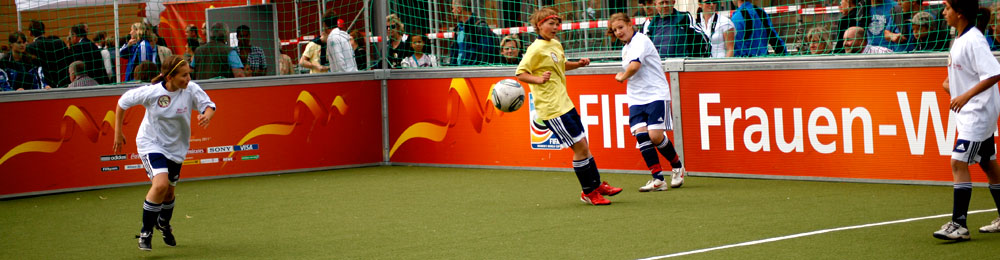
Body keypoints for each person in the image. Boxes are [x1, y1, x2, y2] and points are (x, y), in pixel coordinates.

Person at [515, 7, 622, 205]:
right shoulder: (535, 49)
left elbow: (561, 64)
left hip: (565, 103)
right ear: (539, 25)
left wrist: (578, 64)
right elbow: (521, 73)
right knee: (580, 148)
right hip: (552, 109)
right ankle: (588, 193)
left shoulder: (555, 43)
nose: (555, 27)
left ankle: (597, 185)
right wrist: (539, 79)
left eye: (557, 24)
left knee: (584, 145)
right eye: (551, 24)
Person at [113, 55, 217, 251]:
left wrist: (207, 116)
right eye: (183, 75)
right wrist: (118, 132)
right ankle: (145, 233)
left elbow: (209, 106)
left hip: (177, 148)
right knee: (160, 185)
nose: (188, 79)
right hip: (151, 143)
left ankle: (163, 223)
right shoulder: (151, 92)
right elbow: (122, 103)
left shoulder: (191, 89)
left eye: (188, 74)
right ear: (170, 77)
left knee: (169, 193)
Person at [933, 0, 1000, 241]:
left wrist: (965, 96)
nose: (943, 13)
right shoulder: (961, 39)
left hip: (978, 113)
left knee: (958, 162)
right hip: (972, 113)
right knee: (988, 165)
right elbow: (966, 76)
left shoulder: (974, 39)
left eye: (947, 8)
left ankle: (959, 225)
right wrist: (952, 87)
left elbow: (994, 73)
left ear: (960, 13)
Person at [608, 13, 686, 192]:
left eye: (621, 27)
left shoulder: (641, 40)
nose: (618, 32)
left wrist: (622, 77)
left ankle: (677, 166)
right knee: (641, 135)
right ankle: (658, 179)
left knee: (655, 136)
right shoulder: (625, 48)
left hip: (655, 94)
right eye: (615, 30)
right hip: (636, 97)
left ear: (630, 25)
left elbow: (635, 66)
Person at [645, 0, 710, 58]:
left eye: (667, 2)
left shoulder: (684, 18)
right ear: (655, 4)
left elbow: (703, 40)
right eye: (662, 3)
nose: (665, 5)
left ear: (673, 2)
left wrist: (692, 60)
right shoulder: (651, 25)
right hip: (659, 65)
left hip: (680, 65)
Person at [450, 0, 500, 66]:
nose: (452, 11)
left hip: (474, 70)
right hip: (460, 70)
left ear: (459, 9)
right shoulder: (458, 29)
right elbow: (454, 54)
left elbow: (485, 55)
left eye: (453, 8)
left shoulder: (480, 27)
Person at [24, 20, 71, 88]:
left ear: (30, 33)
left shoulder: (30, 47)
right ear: (43, 30)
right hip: (62, 82)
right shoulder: (59, 43)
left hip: (43, 84)